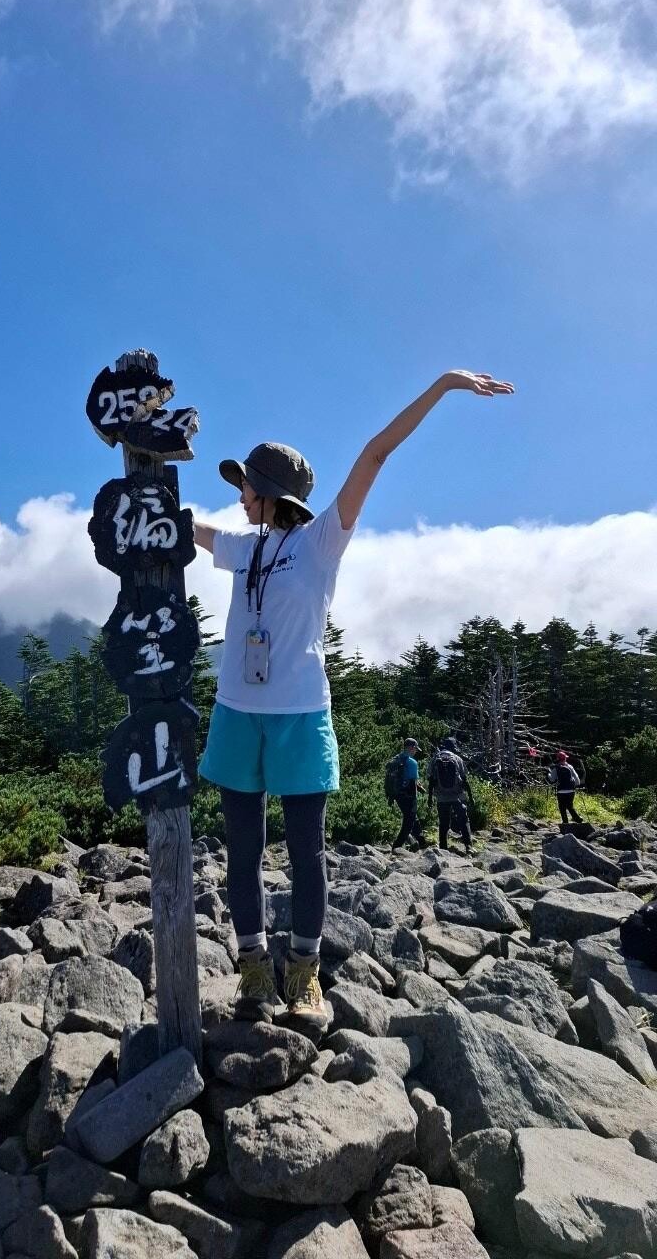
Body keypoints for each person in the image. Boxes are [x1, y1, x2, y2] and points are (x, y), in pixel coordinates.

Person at [192, 369, 513, 1024]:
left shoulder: (320, 541)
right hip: (236, 713)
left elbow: (374, 453)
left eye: (244, 484)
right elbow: (192, 531)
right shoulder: (243, 547)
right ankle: (254, 971)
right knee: (243, 850)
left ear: (269, 491)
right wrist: (141, 504)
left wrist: (445, 385)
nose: (239, 494)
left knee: (307, 853)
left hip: (300, 715)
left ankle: (305, 976)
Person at [428, 736, 473, 854]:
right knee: (463, 820)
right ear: (453, 747)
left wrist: (429, 798)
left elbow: (431, 780)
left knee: (443, 822)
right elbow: (465, 780)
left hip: (441, 796)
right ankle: (468, 846)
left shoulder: (435, 759)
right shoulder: (457, 758)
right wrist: (471, 797)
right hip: (457, 795)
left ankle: (443, 848)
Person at [389, 737, 427, 851]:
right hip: (409, 796)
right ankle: (397, 847)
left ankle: (421, 841)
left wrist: (391, 796)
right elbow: (413, 782)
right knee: (408, 822)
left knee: (412, 817)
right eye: (415, 749)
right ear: (411, 748)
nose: (416, 751)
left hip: (397, 795)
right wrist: (419, 794)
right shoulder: (412, 762)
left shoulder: (395, 759)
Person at [548, 750, 582, 825]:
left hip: (561, 791)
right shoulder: (570, 767)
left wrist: (549, 773)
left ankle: (565, 823)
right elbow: (577, 779)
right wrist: (576, 784)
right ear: (565, 758)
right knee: (570, 806)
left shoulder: (556, 768)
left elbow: (552, 779)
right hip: (571, 790)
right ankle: (578, 819)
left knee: (562, 808)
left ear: (558, 759)